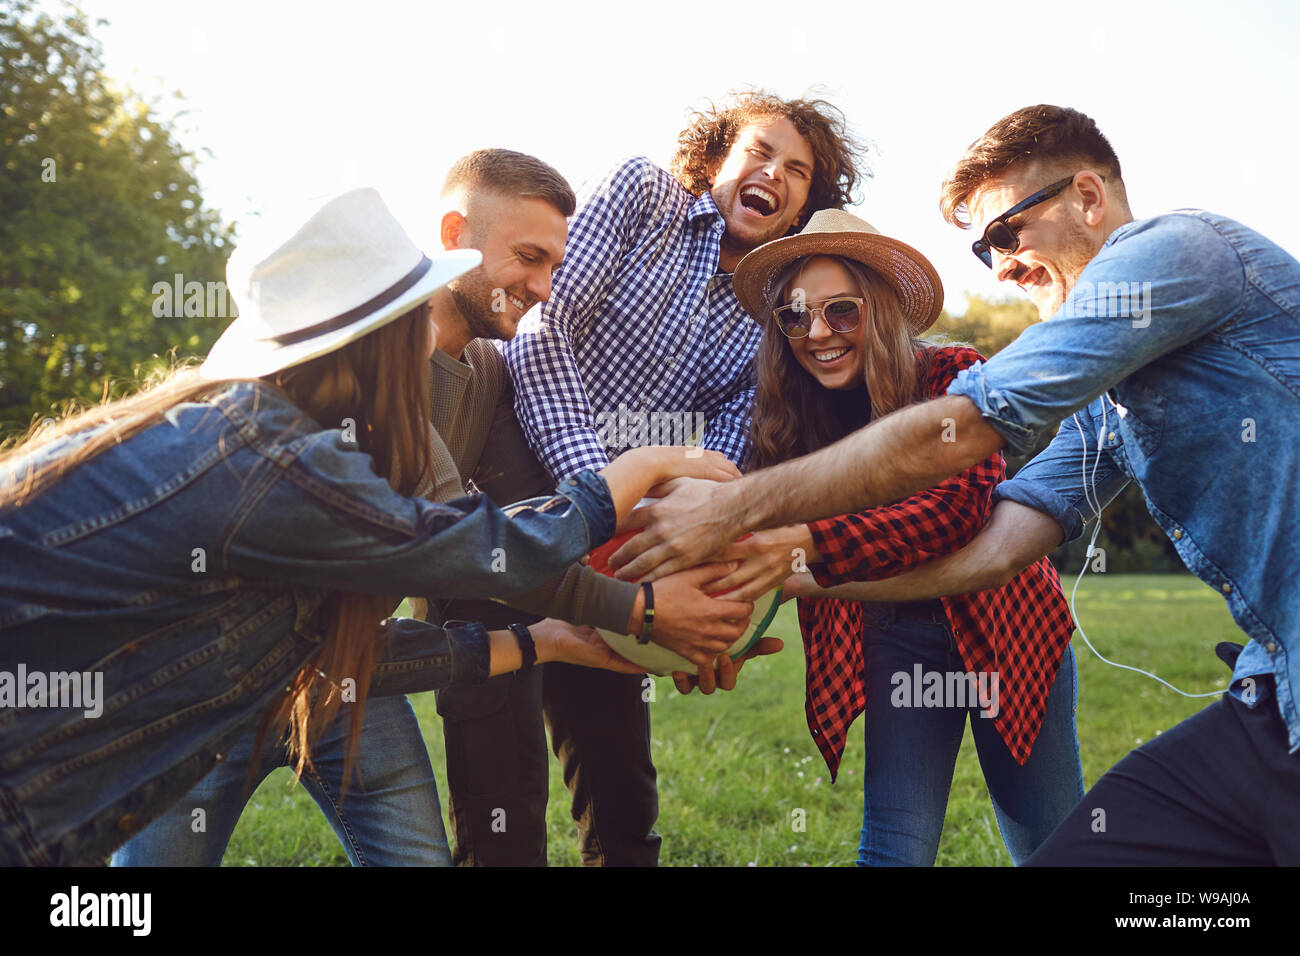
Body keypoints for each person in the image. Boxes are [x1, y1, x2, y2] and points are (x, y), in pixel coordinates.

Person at [610, 104, 1300, 865]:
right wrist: (759, 593)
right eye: (983, 249)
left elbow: (966, 445)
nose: (1000, 266)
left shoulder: (1176, 251)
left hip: (1083, 656)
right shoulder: (1112, 404)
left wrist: (744, 513)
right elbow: (1004, 543)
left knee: (1047, 835)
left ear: (1088, 197)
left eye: (1007, 232)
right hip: (1271, 695)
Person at [0, 187, 738, 867]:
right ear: (372, 340)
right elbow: (478, 551)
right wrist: (637, 478)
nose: (428, 334)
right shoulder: (276, 466)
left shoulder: (256, 442)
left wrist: (542, 641)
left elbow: (335, 653)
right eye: (414, 314)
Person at [434, 90, 867, 867]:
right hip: (516, 451)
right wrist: (596, 494)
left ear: (806, 201)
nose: (774, 173)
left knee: (615, 729)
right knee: (497, 714)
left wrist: (713, 591)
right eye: (759, 152)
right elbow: (542, 325)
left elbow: (730, 456)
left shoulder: (777, 308)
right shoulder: (645, 196)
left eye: (797, 171)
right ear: (719, 161)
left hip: (635, 499)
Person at [688, 208, 1084, 864]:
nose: (816, 332)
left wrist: (807, 542)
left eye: (841, 310)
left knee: (1051, 843)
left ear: (883, 307)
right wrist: (719, 633)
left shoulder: (952, 376)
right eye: (795, 316)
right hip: (895, 637)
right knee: (893, 847)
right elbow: (750, 547)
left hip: (1009, 631)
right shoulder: (787, 422)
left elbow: (953, 510)